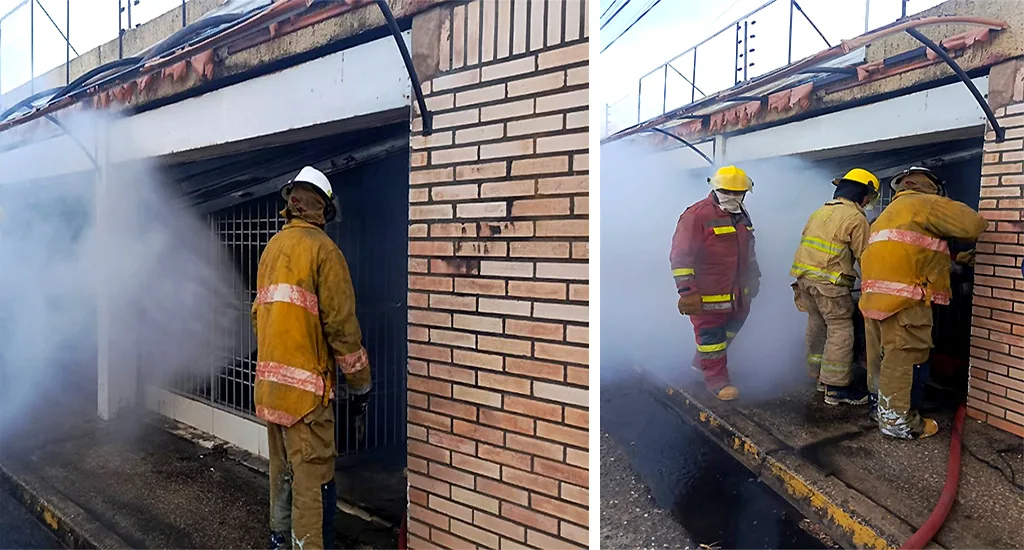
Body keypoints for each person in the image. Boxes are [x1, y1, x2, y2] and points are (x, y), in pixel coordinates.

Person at [251, 166, 372, 549]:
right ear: (322, 208)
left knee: (282, 477)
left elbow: (258, 316)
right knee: (312, 488)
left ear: (292, 202)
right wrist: (361, 385)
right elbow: (342, 329)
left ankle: (279, 541)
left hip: (271, 392)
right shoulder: (324, 252)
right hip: (307, 402)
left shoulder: (272, 249)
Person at [860, 166, 987, 439]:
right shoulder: (924, 203)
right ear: (930, 187)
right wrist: (943, 204)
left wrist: (955, 261)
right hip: (906, 302)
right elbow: (973, 225)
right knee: (903, 358)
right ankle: (897, 422)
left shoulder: (887, 215)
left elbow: (912, 253)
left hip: (874, 299)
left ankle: (879, 408)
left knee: (881, 357)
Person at [670, 165, 760, 401]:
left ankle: (702, 363)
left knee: (731, 329)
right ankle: (717, 382)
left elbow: (749, 250)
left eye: (737, 192)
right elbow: (681, 257)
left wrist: (755, 276)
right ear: (715, 189)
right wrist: (687, 292)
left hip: (738, 294)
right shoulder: (696, 215)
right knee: (711, 337)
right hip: (708, 294)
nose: (732, 197)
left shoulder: (742, 215)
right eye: (726, 191)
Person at [790, 169, 878, 406]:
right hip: (830, 284)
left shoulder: (820, 212)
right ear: (862, 194)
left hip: (804, 281)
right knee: (840, 329)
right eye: (868, 197)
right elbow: (866, 257)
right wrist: (874, 287)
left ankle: (819, 375)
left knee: (817, 324)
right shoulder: (855, 218)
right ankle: (836, 389)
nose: (867, 202)